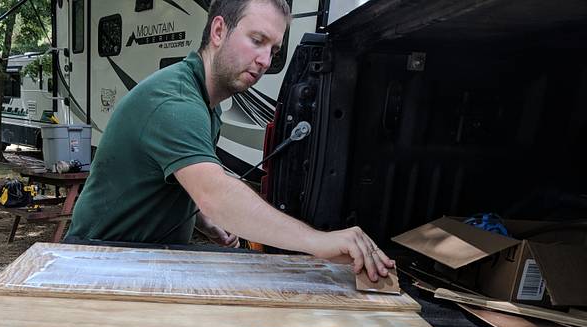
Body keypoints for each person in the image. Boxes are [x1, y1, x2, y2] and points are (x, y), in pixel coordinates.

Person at [65, 0, 394, 282]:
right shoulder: (175, 101)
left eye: (273, 50)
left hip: (143, 259)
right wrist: (318, 242)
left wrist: (203, 221)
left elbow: (173, 183)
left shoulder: (208, 108)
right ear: (219, 31)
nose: (265, 60)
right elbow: (216, 194)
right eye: (257, 40)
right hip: (95, 263)